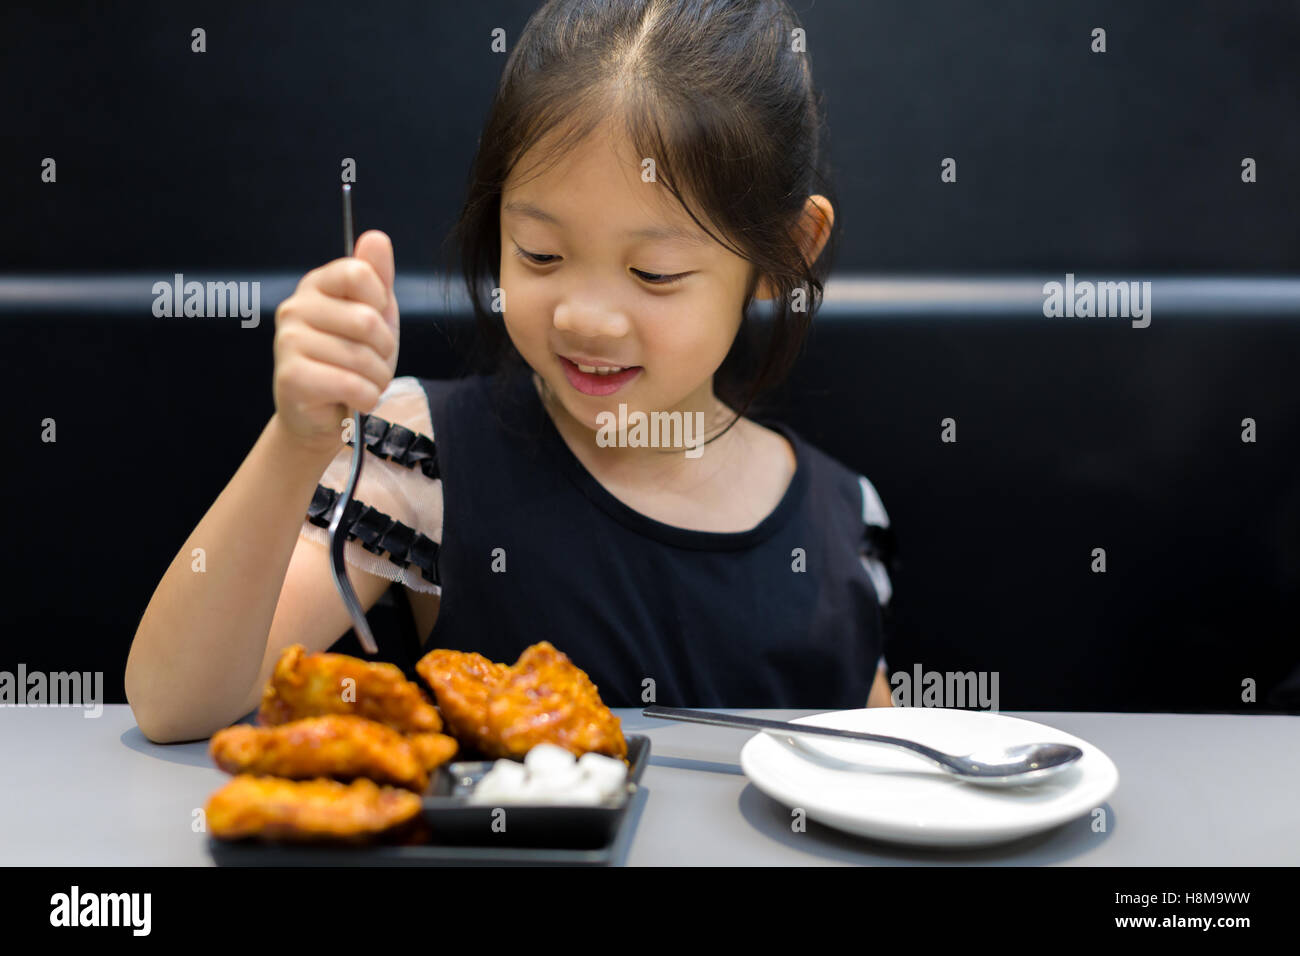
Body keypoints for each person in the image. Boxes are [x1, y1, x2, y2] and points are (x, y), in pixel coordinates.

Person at [125, 0, 900, 743]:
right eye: (540, 254)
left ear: (789, 252)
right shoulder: (422, 459)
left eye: (655, 272)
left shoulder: (841, 523)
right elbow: (177, 704)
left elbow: (885, 776)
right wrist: (297, 442)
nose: (583, 317)